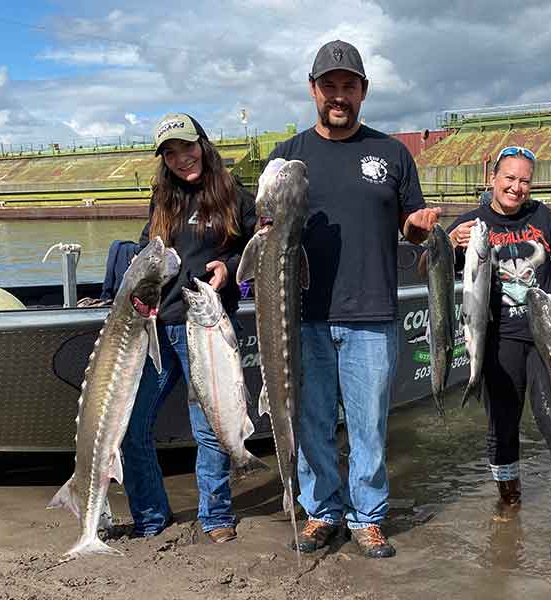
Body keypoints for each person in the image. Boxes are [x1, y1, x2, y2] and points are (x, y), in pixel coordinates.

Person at [267, 40, 441, 558]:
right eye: (329, 87)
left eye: (349, 86)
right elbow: (267, 230)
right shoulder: (287, 156)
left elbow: (411, 228)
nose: (338, 96)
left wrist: (418, 226)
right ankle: (323, 511)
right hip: (306, 317)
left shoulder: (391, 153)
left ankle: (367, 516)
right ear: (313, 90)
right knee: (313, 421)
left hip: (372, 314)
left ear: (363, 91)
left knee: (369, 426)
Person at [121, 112, 257, 543]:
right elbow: (150, 248)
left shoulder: (234, 193)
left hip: (209, 326)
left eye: (187, 146)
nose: (182, 159)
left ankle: (215, 515)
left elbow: (261, 248)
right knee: (131, 425)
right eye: (171, 153)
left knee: (211, 428)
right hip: (159, 331)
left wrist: (231, 267)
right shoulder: (162, 197)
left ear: (203, 142)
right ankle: (151, 517)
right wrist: (141, 277)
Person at [446, 145, 551, 509]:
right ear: (493, 179)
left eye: (525, 181)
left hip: (545, 336)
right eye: (510, 178)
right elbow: (428, 263)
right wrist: (447, 242)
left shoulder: (542, 216)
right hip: (498, 338)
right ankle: (510, 501)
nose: (517, 188)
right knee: (503, 425)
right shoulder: (471, 224)